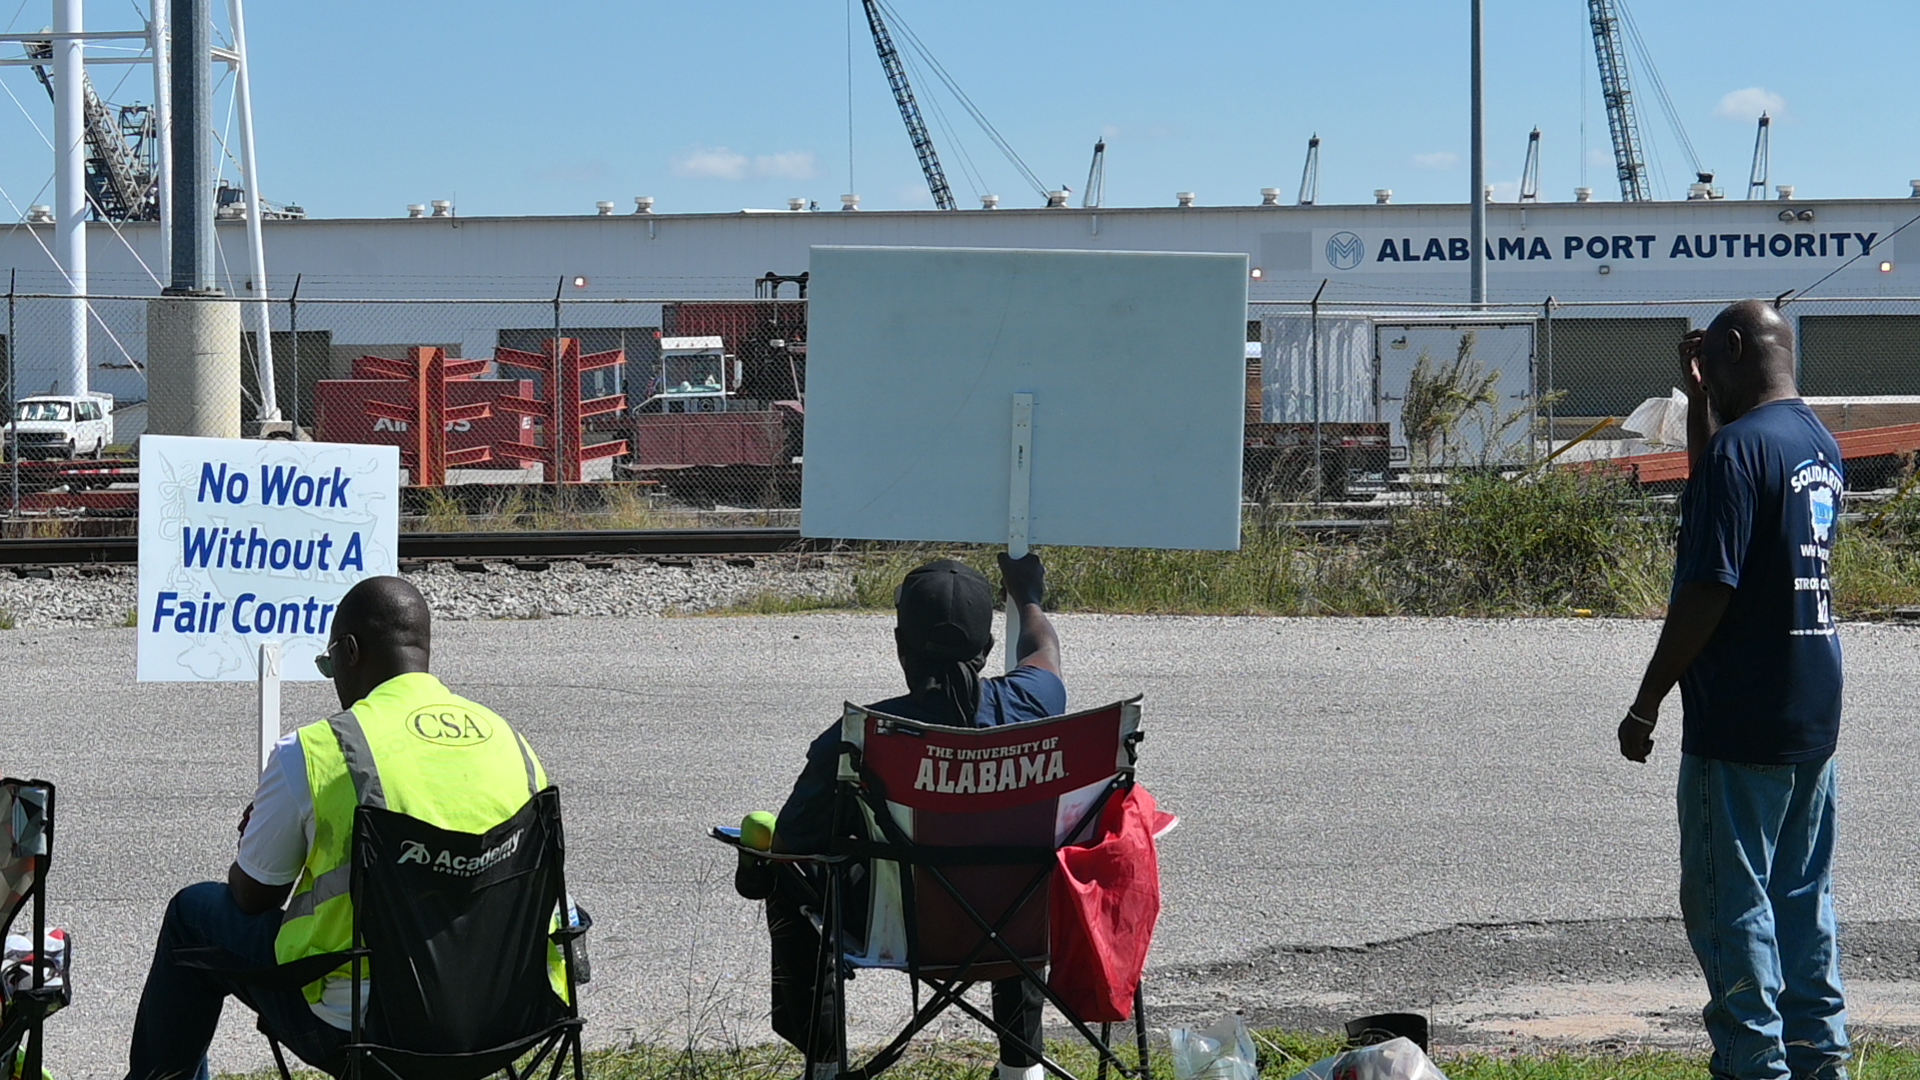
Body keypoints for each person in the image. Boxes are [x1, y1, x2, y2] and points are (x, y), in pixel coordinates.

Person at [126, 576, 554, 1080]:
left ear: (349, 651)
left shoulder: (319, 751)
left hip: (362, 1028)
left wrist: (258, 841)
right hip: (505, 1021)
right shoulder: (512, 743)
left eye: (329, 664)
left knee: (192, 913)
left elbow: (252, 897)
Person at [1617, 300, 1848, 1080]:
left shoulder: (1739, 451)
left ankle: (1756, 1068)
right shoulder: (1816, 442)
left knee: (1731, 907)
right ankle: (1821, 1059)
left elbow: (1708, 588)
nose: (1703, 381)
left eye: (1710, 365)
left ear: (1737, 349)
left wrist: (1648, 699)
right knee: (1800, 899)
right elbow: (1729, 479)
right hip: (1811, 705)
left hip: (1741, 716)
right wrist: (1701, 401)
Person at [746, 554, 1063, 1080]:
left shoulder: (855, 740)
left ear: (899, 645)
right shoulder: (1033, 708)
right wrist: (1027, 594)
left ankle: (825, 1064)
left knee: (788, 877)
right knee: (1018, 873)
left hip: (898, 928)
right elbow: (1044, 651)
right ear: (986, 651)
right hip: (1015, 930)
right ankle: (1020, 1069)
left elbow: (794, 845)